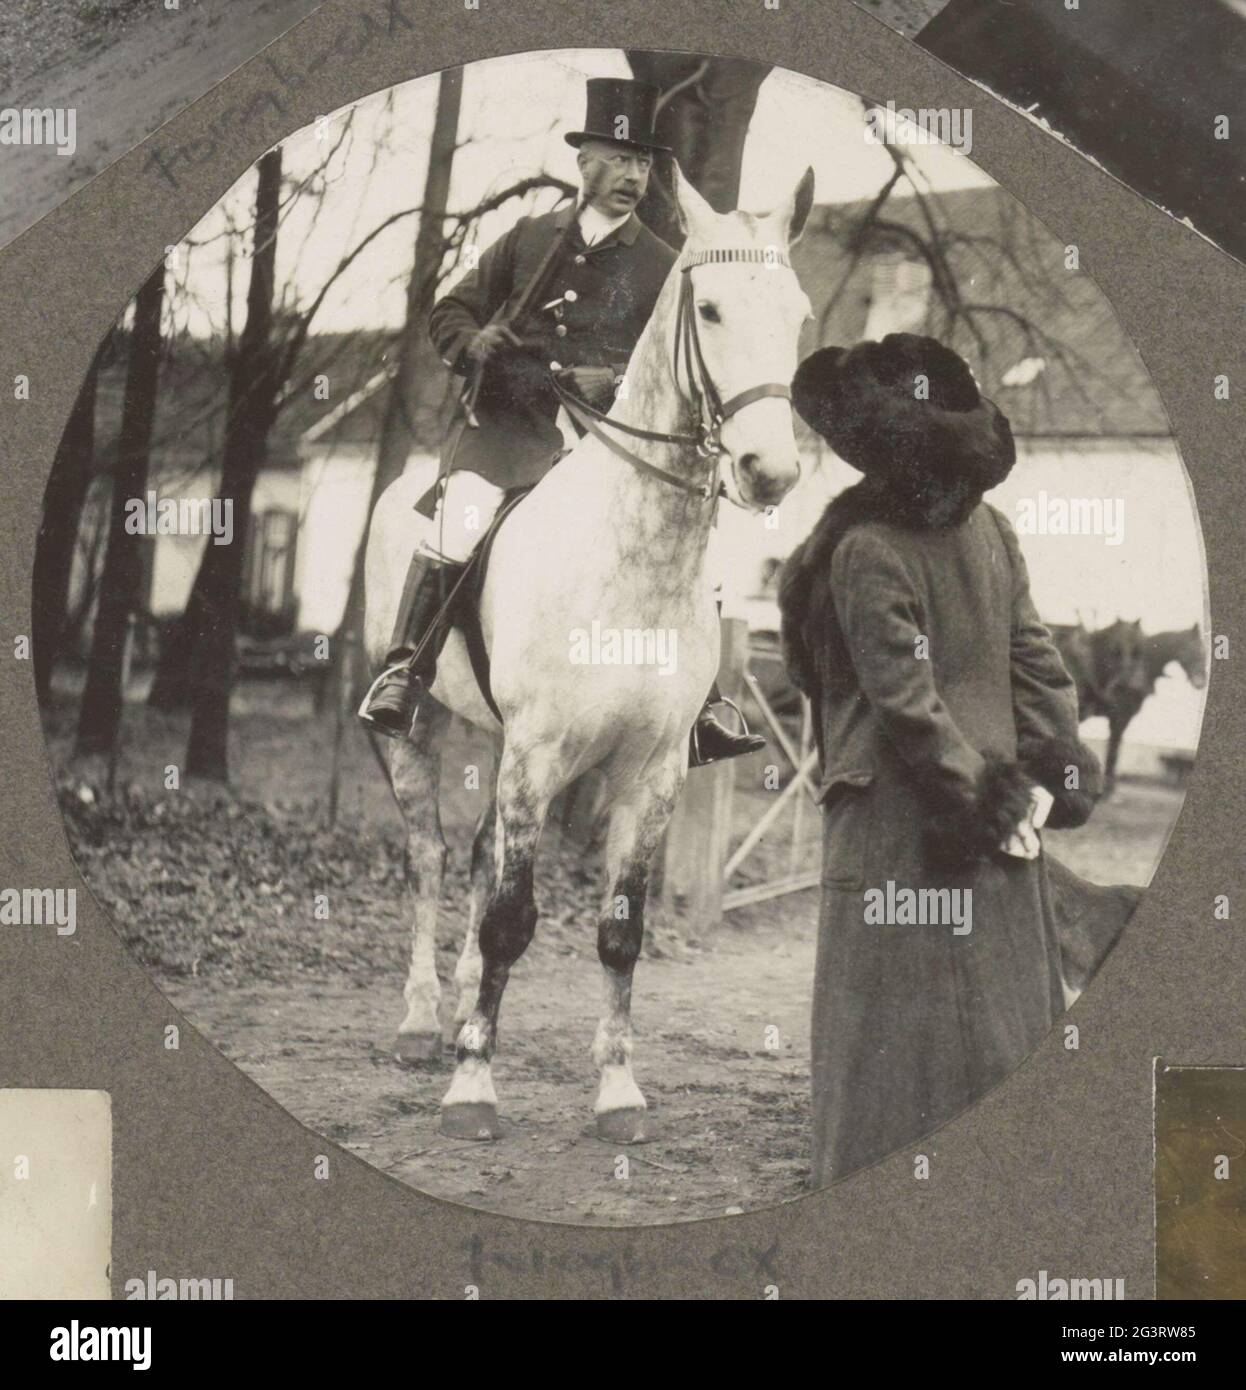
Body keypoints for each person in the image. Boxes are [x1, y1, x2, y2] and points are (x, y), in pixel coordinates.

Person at [780, 333, 1109, 1186]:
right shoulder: (993, 532)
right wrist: (1038, 784)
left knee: (887, 1055)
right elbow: (1039, 667)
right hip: (995, 822)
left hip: (900, 824)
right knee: (999, 1035)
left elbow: (907, 707)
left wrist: (997, 802)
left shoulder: (861, 550)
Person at [359, 76, 765, 766]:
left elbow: (678, 368)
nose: (629, 176)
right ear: (584, 163)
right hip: (510, 432)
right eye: (615, 158)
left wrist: (617, 381)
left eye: (640, 163)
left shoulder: (662, 267)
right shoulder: (526, 240)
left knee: (705, 546)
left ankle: (705, 706)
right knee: (459, 516)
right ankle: (406, 669)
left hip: (609, 445)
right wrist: (470, 343)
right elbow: (448, 311)